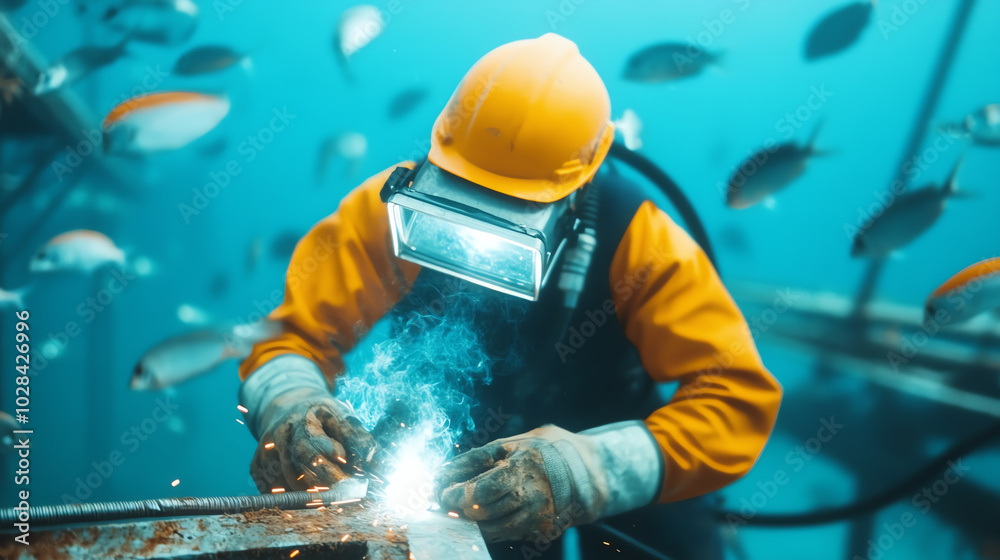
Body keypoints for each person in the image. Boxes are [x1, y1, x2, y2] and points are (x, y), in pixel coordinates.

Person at [238, 33, 782, 560]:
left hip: (614, 435)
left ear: (574, 195)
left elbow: (736, 399)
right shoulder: (387, 212)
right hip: (462, 463)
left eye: (515, 212)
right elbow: (291, 339)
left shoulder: (640, 241)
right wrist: (290, 406)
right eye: (458, 198)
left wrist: (591, 471)